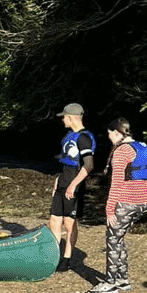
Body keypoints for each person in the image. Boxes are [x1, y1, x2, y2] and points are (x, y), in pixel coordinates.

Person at [90, 117, 147, 293]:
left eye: (110, 134)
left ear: (117, 133)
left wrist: (109, 208)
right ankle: (122, 279)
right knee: (119, 238)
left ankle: (110, 282)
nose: (109, 138)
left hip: (127, 201)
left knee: (112, 239)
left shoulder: (122, 152)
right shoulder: (143, 147)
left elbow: (116, 183)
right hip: (144, 201)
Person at [48, 103, 95, 272]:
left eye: (64, 117)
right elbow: (66, 163)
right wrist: (58, 181)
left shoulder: (84, 138)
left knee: (69, 224)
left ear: (72, 117)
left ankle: (66, 259)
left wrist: (73, 185)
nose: (62, 119)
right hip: (63, 181)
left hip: (74, 185)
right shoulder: (70, 135)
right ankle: (54, 256)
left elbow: (89, 165)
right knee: (54, 220)